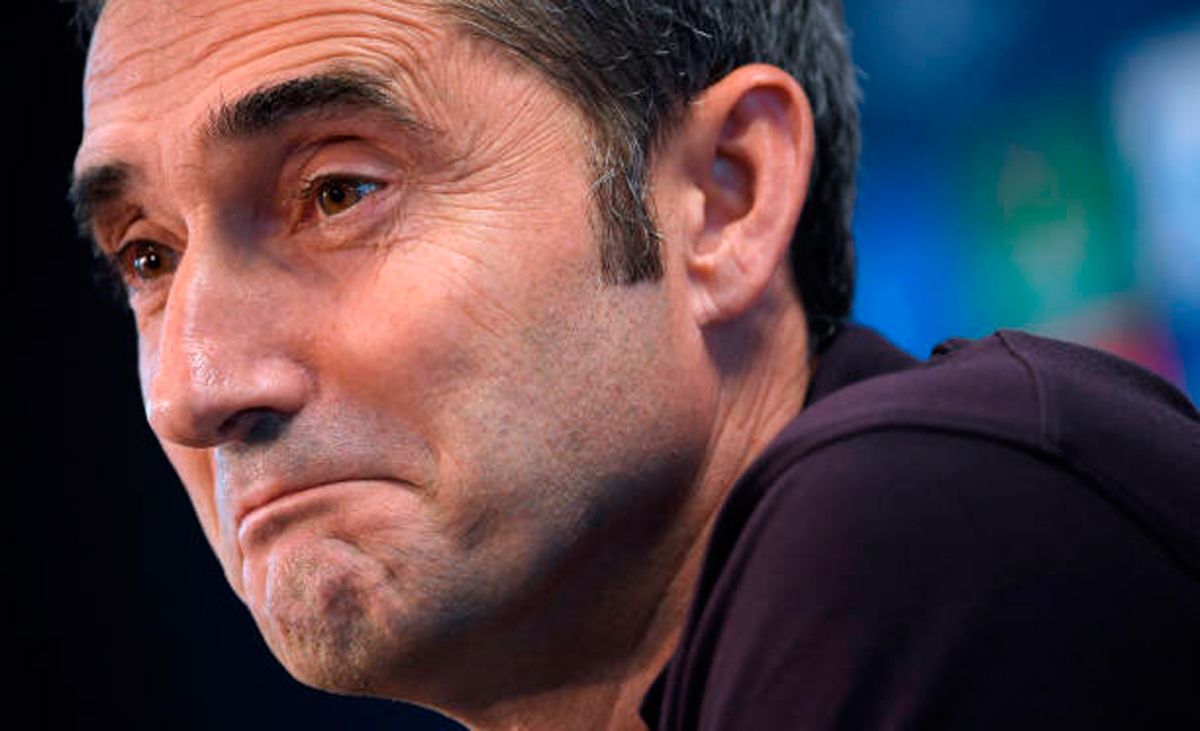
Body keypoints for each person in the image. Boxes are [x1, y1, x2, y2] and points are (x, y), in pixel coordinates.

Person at [68, 0, 1199, 729]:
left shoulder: (930, 519)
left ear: (722, 197)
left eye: (337, 192)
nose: (195, 386)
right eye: (148, 256)